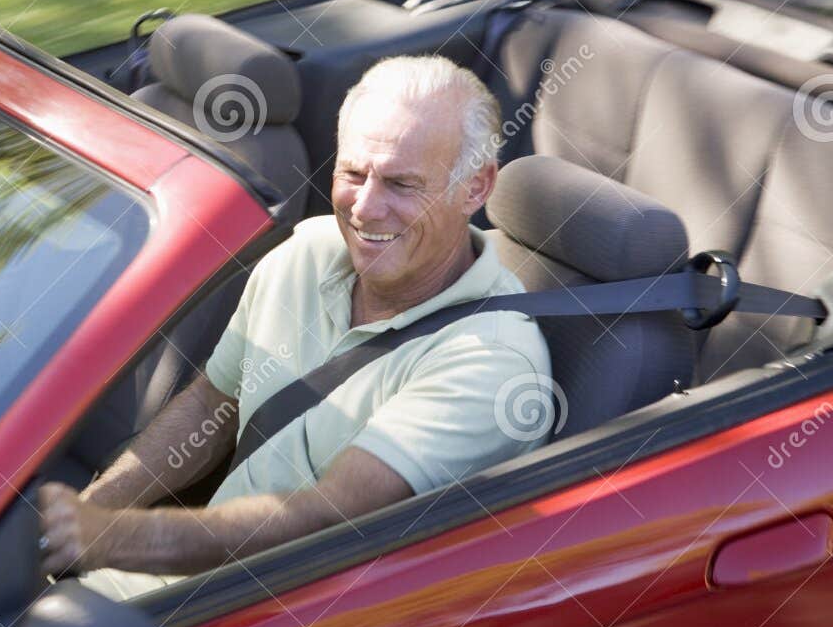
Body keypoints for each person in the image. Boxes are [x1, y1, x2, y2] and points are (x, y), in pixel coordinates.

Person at [38, 54, 553, 598]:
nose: (366, 208)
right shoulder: (307, 250)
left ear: (475, 187)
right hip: (187, 581)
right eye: (353, 173)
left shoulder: (491, 363)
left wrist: (107, 538)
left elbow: (323, 521)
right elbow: (216, 401)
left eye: (402, 184)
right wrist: (86, 515)